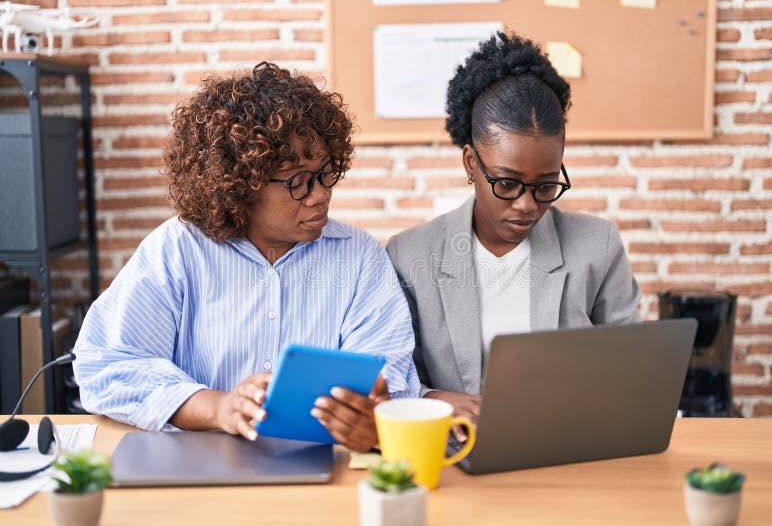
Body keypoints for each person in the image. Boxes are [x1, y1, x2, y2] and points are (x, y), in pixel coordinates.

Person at [73, 62, 420, 452]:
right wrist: (217, 407)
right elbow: (106, 366)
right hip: (197, 463)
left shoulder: (359, 258)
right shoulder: (178, 250)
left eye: (326, 173)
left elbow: (392, 379)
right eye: (299, 181)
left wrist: (372, 417)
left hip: (325, 465)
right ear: (240, 185)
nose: (321, 194)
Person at [386, 32, 641, 441]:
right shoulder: (410, 254)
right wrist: (435, 398)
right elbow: (396, 374)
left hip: (569, 446)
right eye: (507, 183)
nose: (526, 205)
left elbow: (635, 369)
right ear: (471, 162)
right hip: (455, 453)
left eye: (546, 185)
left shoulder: (597, 246)